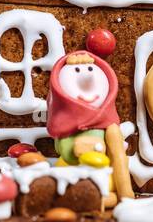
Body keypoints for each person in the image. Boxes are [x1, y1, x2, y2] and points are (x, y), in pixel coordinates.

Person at [46, 51, 132, 197]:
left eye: (91, 69)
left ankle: (110, 197)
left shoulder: (111, 127)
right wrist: (77, 148)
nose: (88, 77)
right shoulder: (64, 126)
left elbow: (117, 158)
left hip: (103, 174)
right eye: (77, 71)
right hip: (72, 174)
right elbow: (63, 149)